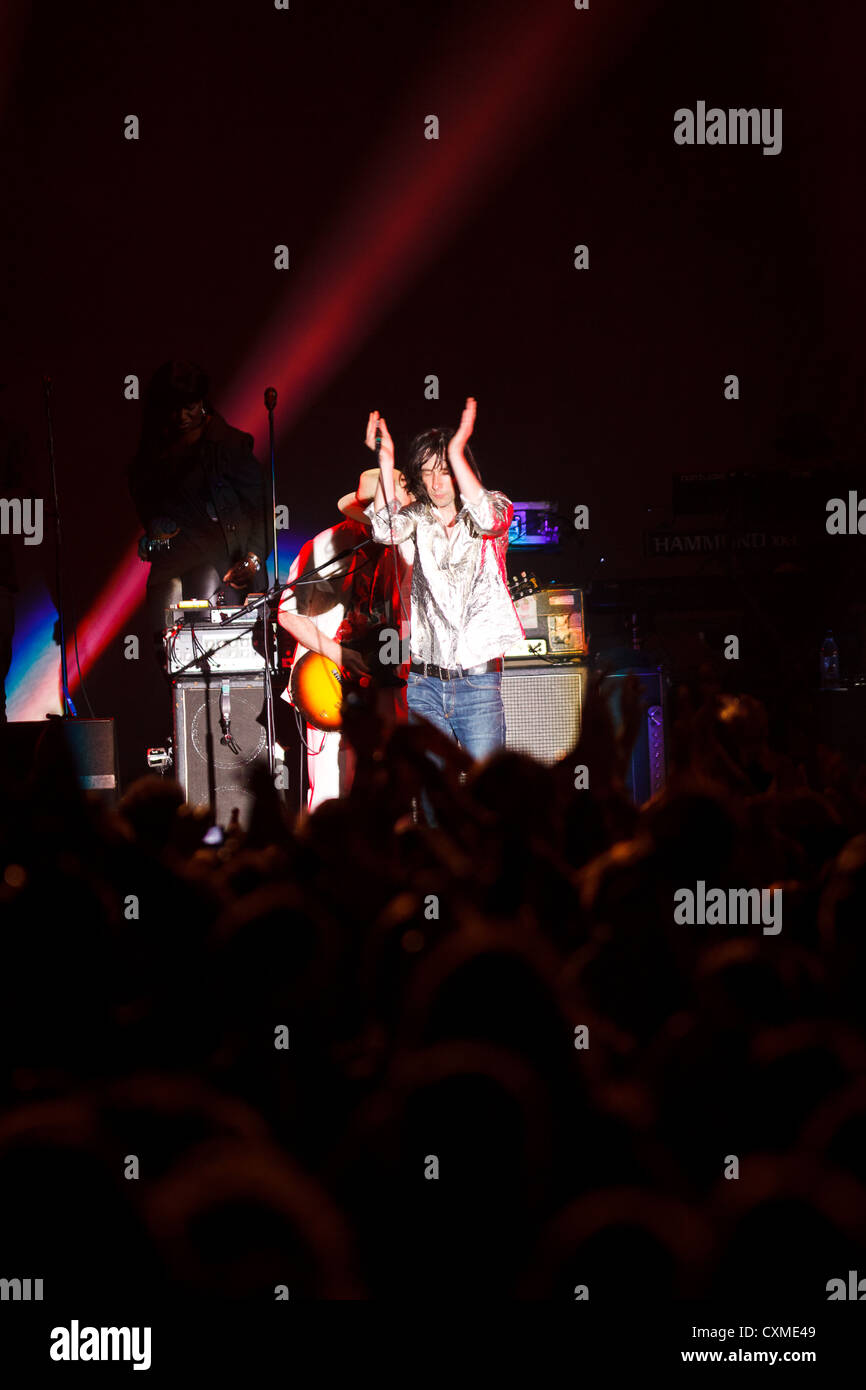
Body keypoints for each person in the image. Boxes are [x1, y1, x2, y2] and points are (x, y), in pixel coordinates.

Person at [365, 397, 522, 772]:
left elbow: (489, 519)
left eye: (445, 471)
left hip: (478, 684)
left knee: (487, 790)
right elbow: (384, 531)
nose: (435, 483)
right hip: (425, 684)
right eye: (427, 473)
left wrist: (455, 450)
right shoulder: (418, 516)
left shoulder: (493, 506)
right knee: (432, 794)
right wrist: (385, 461)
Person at [278, 441, 414, 810]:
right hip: (328, 678)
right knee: (329, 788)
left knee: (388, 782)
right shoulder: (323, 546)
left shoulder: (408, 550)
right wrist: (340, 654)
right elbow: (287, 613)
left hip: (389, 677)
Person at [129, 361, 269, 655]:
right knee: (170, 656)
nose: (181, 416)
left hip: (223, 566)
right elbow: (144, 495)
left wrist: (253, 558)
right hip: (172, 565)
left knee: (215, 656)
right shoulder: (156, 451)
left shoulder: (228, 445)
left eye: (189, 406)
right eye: (173, 408)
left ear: (202, 401)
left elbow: (261, 506)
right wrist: (155, 531)